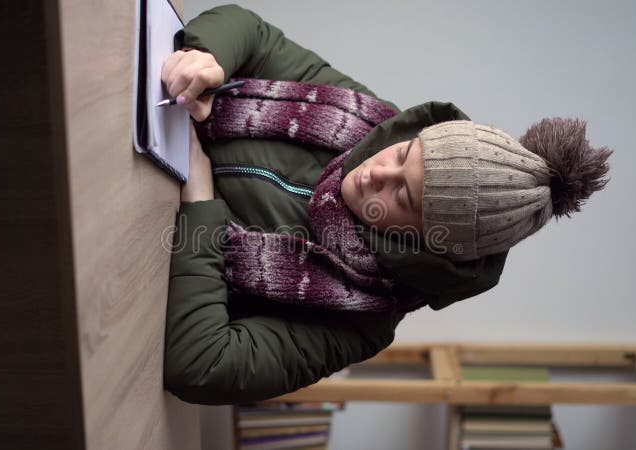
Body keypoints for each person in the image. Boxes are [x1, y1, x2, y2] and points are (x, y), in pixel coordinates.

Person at [162, 5, 611, 404]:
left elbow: (204, 366)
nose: (376, 172)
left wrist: (200, 202)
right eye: (403, 155)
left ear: (425, 242)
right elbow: (253, 33)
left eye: (402, 195)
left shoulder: (363, 321)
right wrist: (209, 60)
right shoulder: (368, 121)